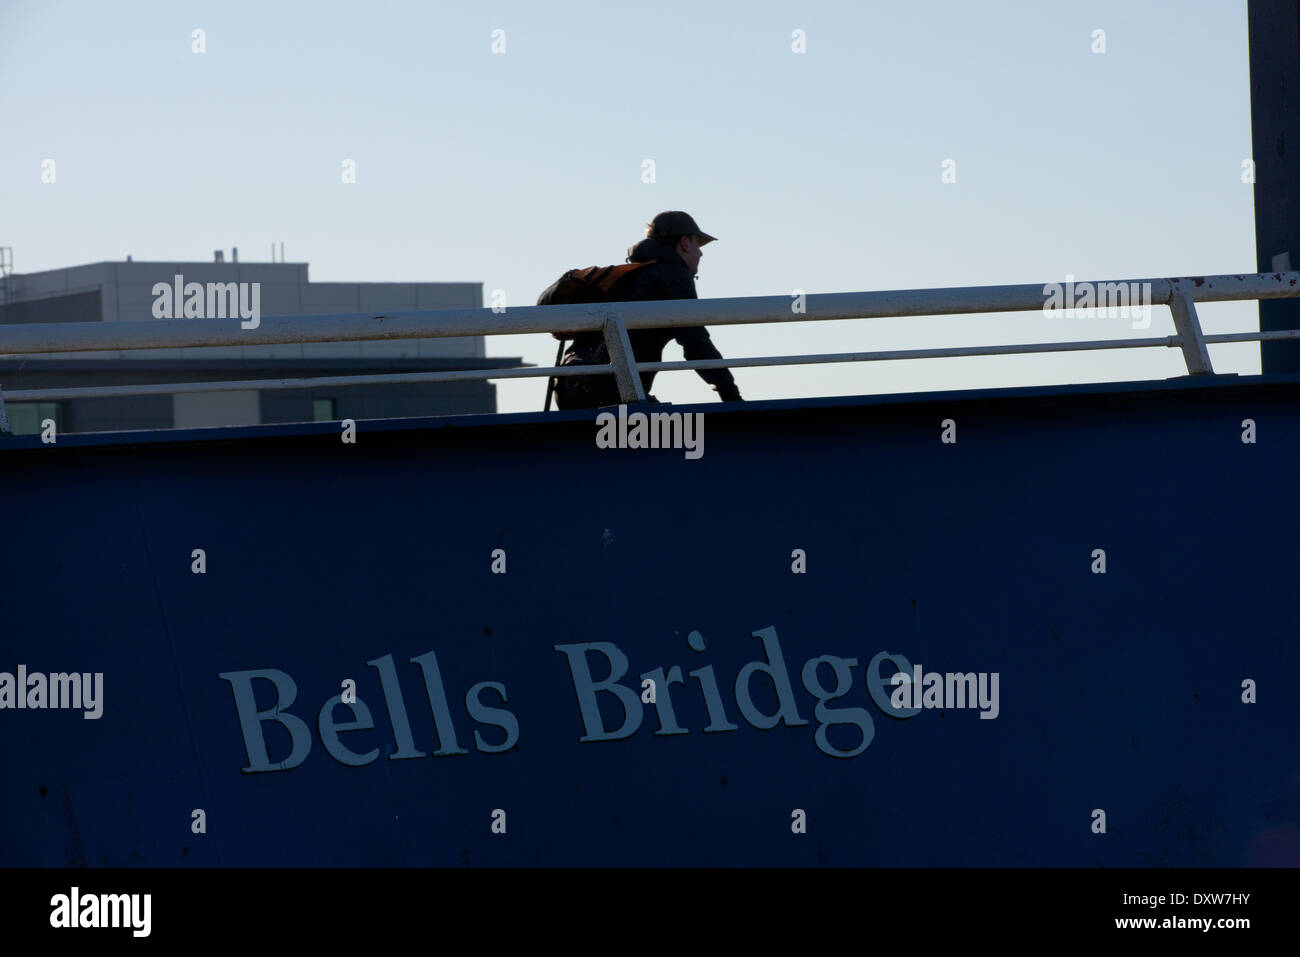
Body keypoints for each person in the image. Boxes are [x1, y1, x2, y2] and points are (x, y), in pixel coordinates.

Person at [553, 211, 743, 409]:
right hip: (607, 388)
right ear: (685, 243)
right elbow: (696, 342)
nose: (701, 253)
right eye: (697, 244)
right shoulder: (672, 274)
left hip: (569, 384)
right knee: (674, 434)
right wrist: (729, 392)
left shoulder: (632, 274)